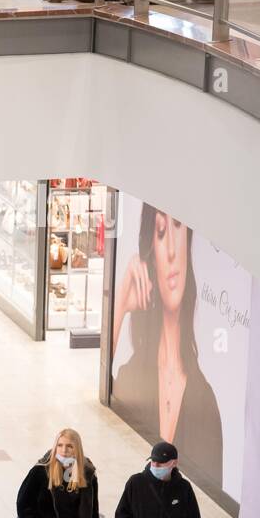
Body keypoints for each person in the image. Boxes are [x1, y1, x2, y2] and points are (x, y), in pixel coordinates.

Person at [111, 205, 223, 491]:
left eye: (177, 228)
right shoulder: (130, 377)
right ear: (151, 253)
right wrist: (121, 304)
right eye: (161, 233)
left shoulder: (206, 403)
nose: (172, 251)